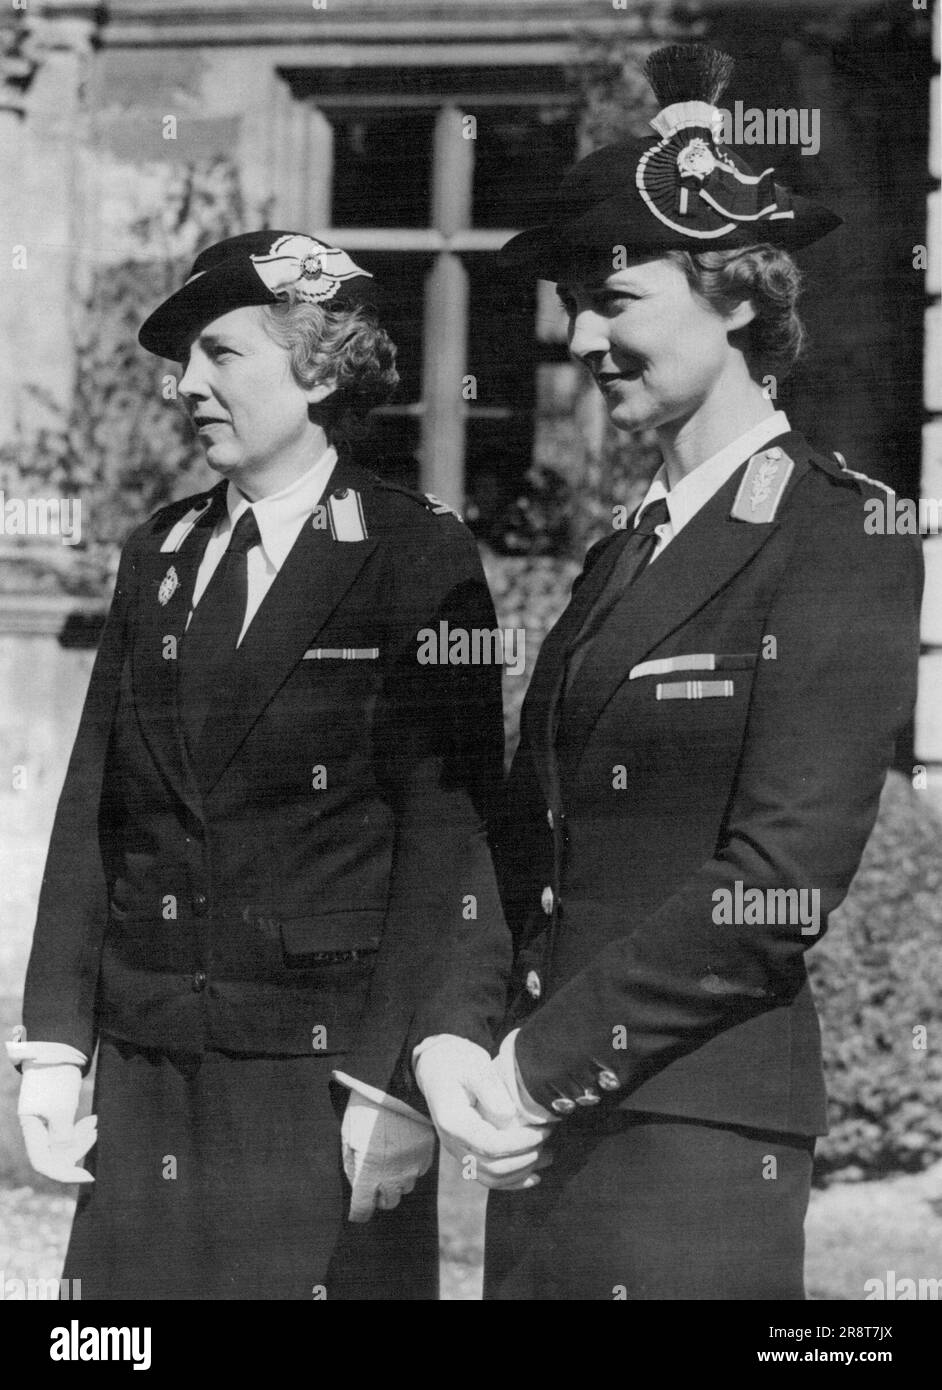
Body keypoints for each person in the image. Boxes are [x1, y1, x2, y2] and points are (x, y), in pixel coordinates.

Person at [417, 44, 924, 1299]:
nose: (580, 336)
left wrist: (539, 1066)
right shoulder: (625, 552)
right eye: (573, 302)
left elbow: (780, 880)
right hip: (538, 1140)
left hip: (698, 1143)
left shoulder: (839, 532)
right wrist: (450, 1036)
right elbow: (524, 837)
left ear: (737, 296)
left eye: (618, 297)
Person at [8, 229, 520, 1300]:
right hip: (147, 1065)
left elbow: (450, 842)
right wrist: (55, 1045)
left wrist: (398, 1085)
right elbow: (96, 805)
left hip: (319, 1084)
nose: (185, 385)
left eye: (221, 354)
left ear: (321, 365)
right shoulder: (158, 550)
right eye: (183, 361)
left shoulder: (411, 551)